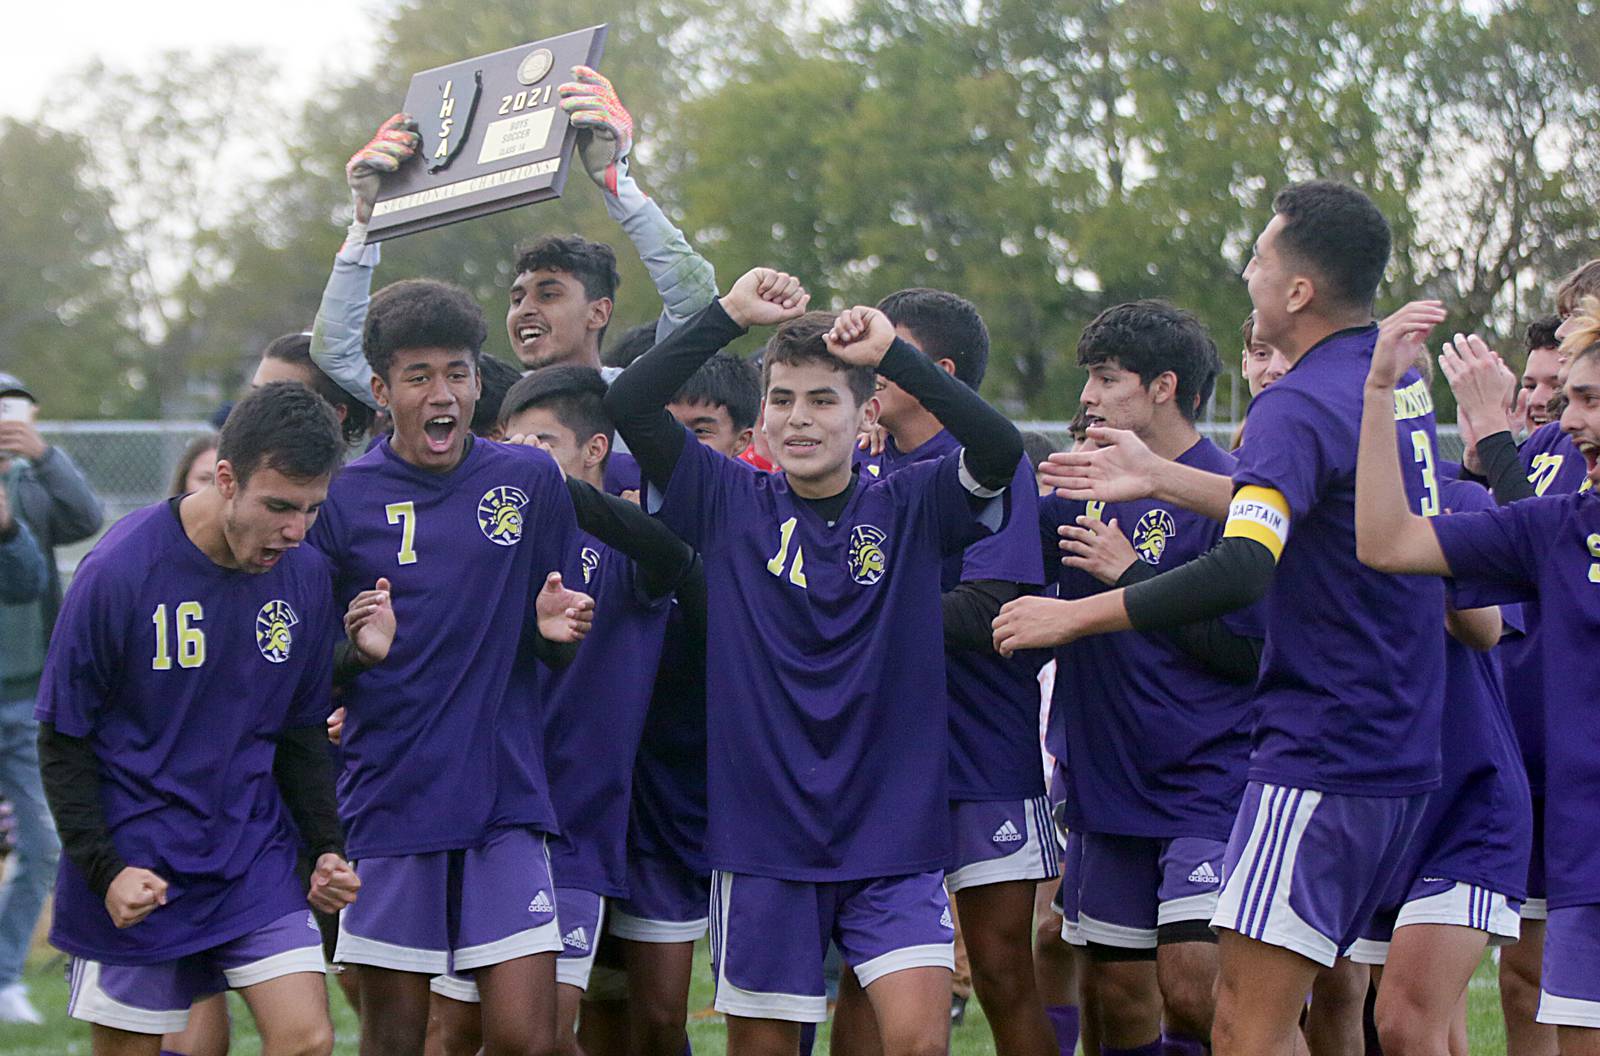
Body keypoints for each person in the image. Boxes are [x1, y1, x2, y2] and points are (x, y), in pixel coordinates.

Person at [994, 181, 1445, 1056]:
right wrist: (1159, 477)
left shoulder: (1299, 399)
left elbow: (1244, 564)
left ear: (1299, 290)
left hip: (1322, 746)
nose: (1247, 274)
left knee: (1243, 1021)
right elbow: (1316, 515)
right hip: (1394, 739)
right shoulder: (1392, 384)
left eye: (1260, 258)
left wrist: (1074, 620)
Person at [606, 267, 1023, 1056]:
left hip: (893, 834)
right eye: (783, 399)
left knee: (919, 1042)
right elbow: (629, 402)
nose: (800, 419)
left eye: (824, 400)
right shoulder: (724, 498)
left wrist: (892, 353)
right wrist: (727, 314)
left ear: (865, 415)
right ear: (760, 418)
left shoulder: (910, 504)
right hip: (763, 841)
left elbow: (999, 448)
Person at [308, 277, 594, 1056]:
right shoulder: (340, 500)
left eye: (459, 373)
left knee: (527, 1039)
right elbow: (303, 665)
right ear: (380, 388)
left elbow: (553, 627)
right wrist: (353, 657)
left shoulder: (529, 481)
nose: (445, 394)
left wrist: (548, 634)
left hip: (506, 795)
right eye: (419, 376)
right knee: (397, 1038)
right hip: (392, 799)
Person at [34, 381, 361, 1052]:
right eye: (278, 506)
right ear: (224, 478)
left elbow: (300, 733)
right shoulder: (120, 571)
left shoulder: (304, 575)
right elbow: (62, 738)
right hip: (140, 862)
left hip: (251, 853)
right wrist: (105, 868)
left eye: (311, 509)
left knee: (307, 1039)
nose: (295, 530)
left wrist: (325, 847)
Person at [1351, 299, 1600, 1056]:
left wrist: (1495, 435)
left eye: (1587, 399)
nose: (1569, 418)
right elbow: (1389, 541)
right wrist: (1377, 396)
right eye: (1569, 400)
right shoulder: (1564, 524)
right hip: (1587, 858)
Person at [426, 366, 697, 1056]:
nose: (519, 458)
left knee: (543, 1029)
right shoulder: (494, 545)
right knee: (453, 1030)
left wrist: (544, 483)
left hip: (576, 828)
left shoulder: (630, 548)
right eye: (510, 443)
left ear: (595, 450)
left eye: (539, 442)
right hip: (480, 820)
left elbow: (676, 554)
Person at [833, 287, 1055, 1056]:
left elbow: (990, 608)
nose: (866, 372)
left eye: (887, 354)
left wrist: (854, 618)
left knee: (999, 968)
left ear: (939, 371)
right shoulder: (855, 463)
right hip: (881, 758)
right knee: (869, 964)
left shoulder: (988, 468)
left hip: (980, 750)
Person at [1039, 301, 1263, 1056]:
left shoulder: (1225, 490)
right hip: (1108, 778)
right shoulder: (1084, 481)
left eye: (1108, 379)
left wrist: (1129, 579)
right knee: (1118, 997)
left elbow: (1248, 655)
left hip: (1208, 778)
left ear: (1165, 386)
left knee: (1195, 989)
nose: (1090, 396)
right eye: (1090, 379)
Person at [309, 69, 716, 413]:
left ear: (598, 312)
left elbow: (697, 306)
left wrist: (616, 184)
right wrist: (366, 224)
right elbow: (337, 353)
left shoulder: (639, 394)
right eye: (517, 298)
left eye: (549, 294)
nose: (526, 310)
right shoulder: (483, 406)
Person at [0, 370, 102, 1024]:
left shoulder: (34, 484)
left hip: (26, 694)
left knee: (43, 843)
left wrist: (41, 456)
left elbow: (87, 519)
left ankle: (4, 976)